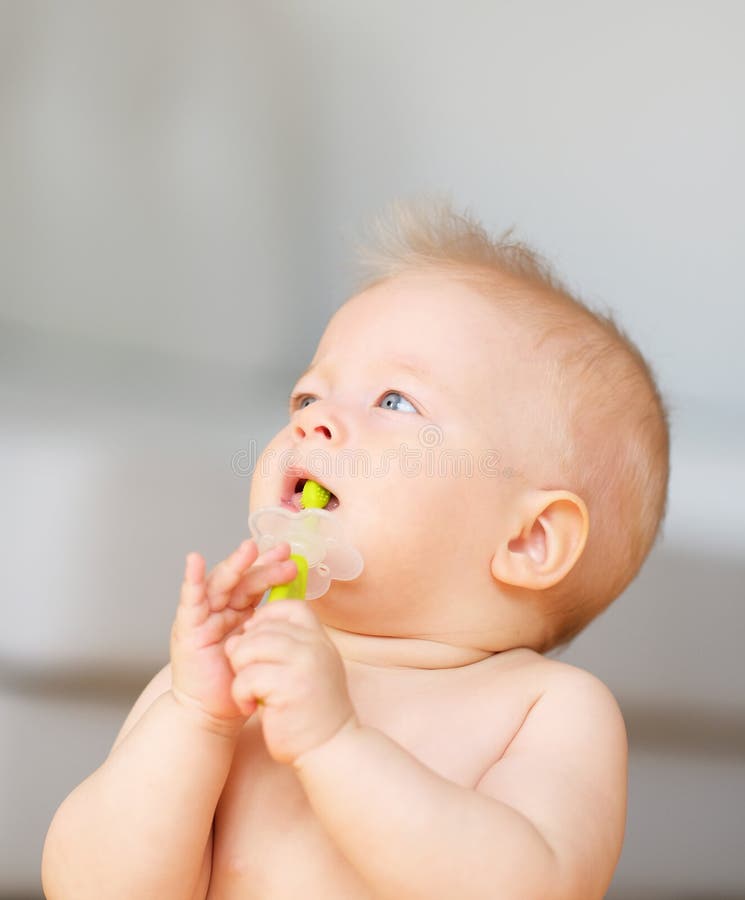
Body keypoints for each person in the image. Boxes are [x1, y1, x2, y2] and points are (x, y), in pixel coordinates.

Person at [42, 199, 670, 900]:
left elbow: (523, 887)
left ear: (527, 539)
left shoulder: (547, 709)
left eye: (394, 402)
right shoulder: (233, 678)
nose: (314, 424)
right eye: (307, 397)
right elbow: (87, 886)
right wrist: (194, 718)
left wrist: (334, 743)